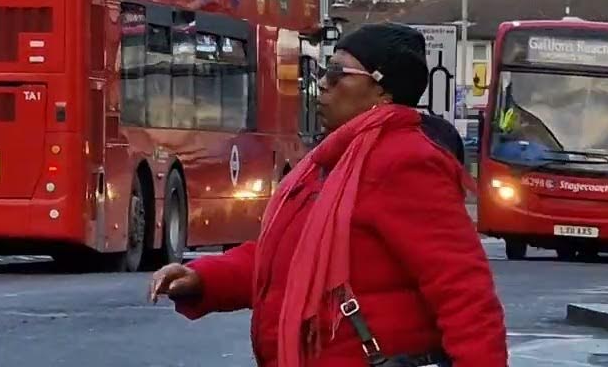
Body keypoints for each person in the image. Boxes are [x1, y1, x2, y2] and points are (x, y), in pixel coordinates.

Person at [150, 23, 507, 367]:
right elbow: (286, 258)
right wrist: (204, 278)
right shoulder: (332, 160)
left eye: (338, 73)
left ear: (383, 90)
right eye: (324, 70)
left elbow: (462, 289)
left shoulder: (405, 161)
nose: (322, 84)